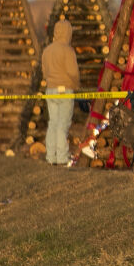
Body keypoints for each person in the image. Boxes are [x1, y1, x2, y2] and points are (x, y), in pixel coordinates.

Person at [40, 18, 80, 166]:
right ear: (67, 33)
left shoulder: (47, 50)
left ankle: (50, 156)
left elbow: (44, 72)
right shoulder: (67, 50)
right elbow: (73, 72)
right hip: (65, 90)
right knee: (63, 124)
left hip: (50, 90)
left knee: (53, 123)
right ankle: (62, 157)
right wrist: (76, 85)